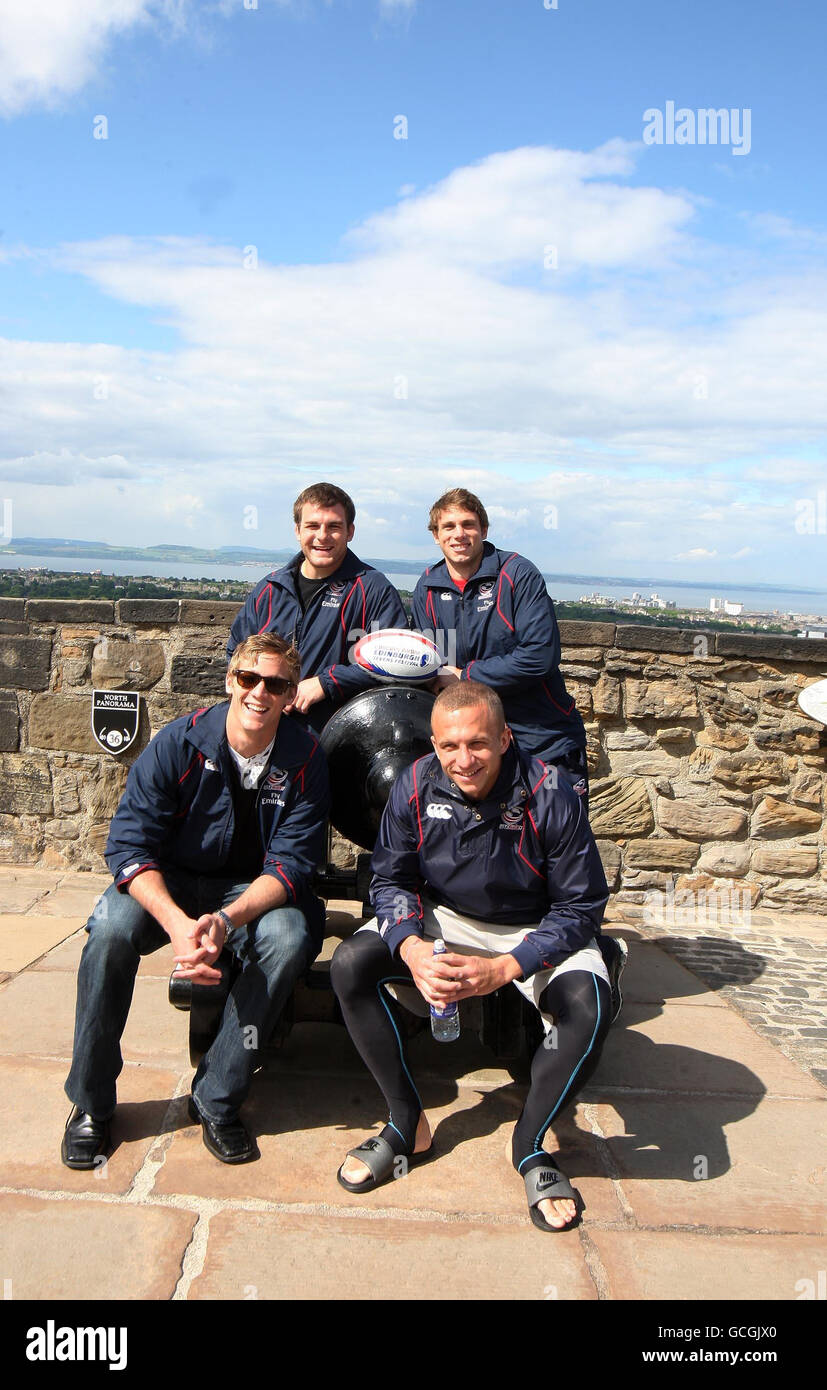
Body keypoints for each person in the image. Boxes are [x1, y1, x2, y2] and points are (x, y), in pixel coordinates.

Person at [330, 682, 623, 1231]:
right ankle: (404, 1122)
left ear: (505, 737)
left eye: (479, 744)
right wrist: (412, 946)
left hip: (535, 924)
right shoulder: (415, 785)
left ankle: (531, 1146)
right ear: (433, 744)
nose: (464, 761)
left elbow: (582, 903)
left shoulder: (551, 791)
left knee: (591, 1007)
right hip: (448, 917)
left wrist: (508, 967)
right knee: (351, 963)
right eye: (449, 746)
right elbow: (391, 879)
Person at [62, 632, 330, 1168]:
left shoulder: (305, 758)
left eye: (276, 684)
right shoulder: (179, 744)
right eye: (250, 679)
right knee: (110, 934)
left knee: (288, 937)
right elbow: (129, 845)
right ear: (231, 681)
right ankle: (90, 1104)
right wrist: (179, 923)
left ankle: (217, 1097)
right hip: (174, 879)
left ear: (290, 693)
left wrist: (227, 921)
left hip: (250, 888)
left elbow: (293, 865)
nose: (260, 693)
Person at [410, 487, 589, 801]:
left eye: (468, 524)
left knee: (562, 846)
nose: (459, 534)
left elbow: (540, 656)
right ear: (436, 536)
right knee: (490, 848)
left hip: (542, 741)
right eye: (448, 527)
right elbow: (430, 664)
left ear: (484, 530)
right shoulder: (427, 587)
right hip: (474, 753)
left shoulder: (517, 574)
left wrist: (466, 676)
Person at [227, 483, 407, 734]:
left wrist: (327, 683)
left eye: (334, 526)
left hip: (336, 740)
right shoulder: (270, 589)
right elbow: (236, 654)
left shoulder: (374, 590)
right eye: (312, 526)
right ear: (298, 531)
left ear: (350, 532)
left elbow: (398, 663)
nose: (322, 536)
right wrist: (269, 688)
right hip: (267, 734)